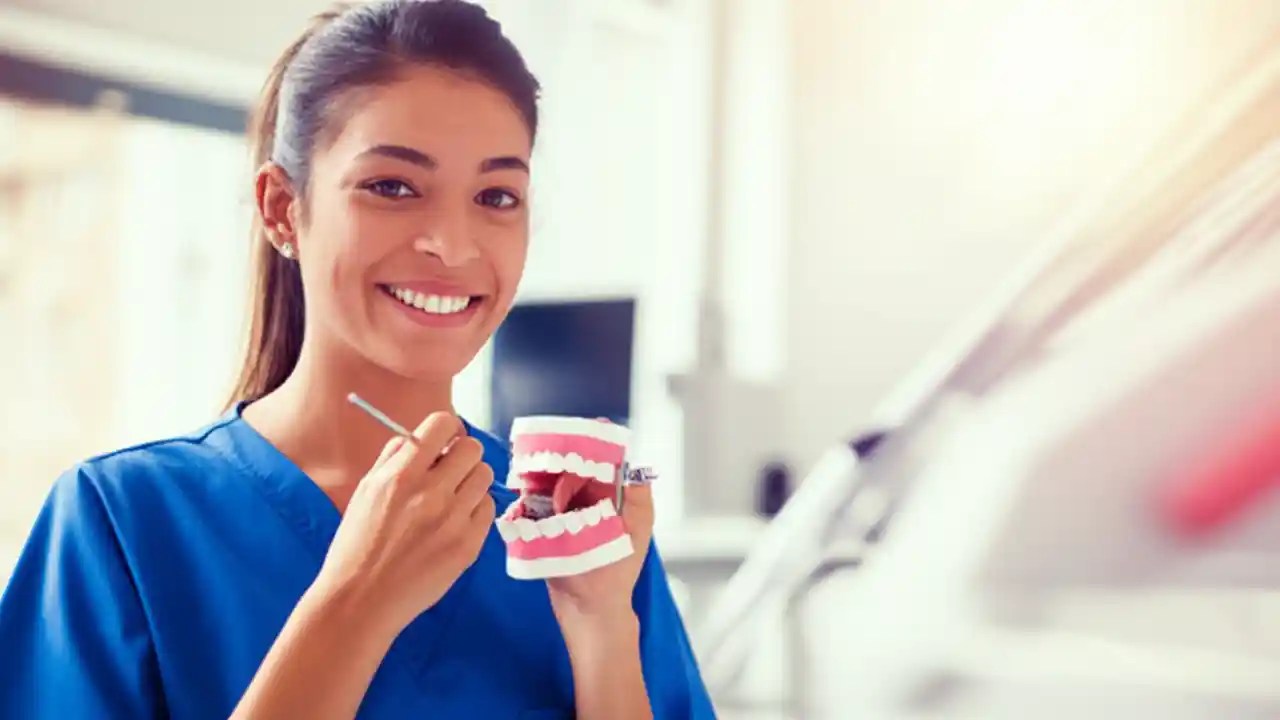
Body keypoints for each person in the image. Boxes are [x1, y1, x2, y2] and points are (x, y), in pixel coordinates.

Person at [0, 2, 715, 718]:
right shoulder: (122, 523)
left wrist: (602, 630)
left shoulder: (582, 539)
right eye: (393, 187)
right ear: (282, 208)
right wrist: (355, 604)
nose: (453, 243)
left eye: (497, 196)